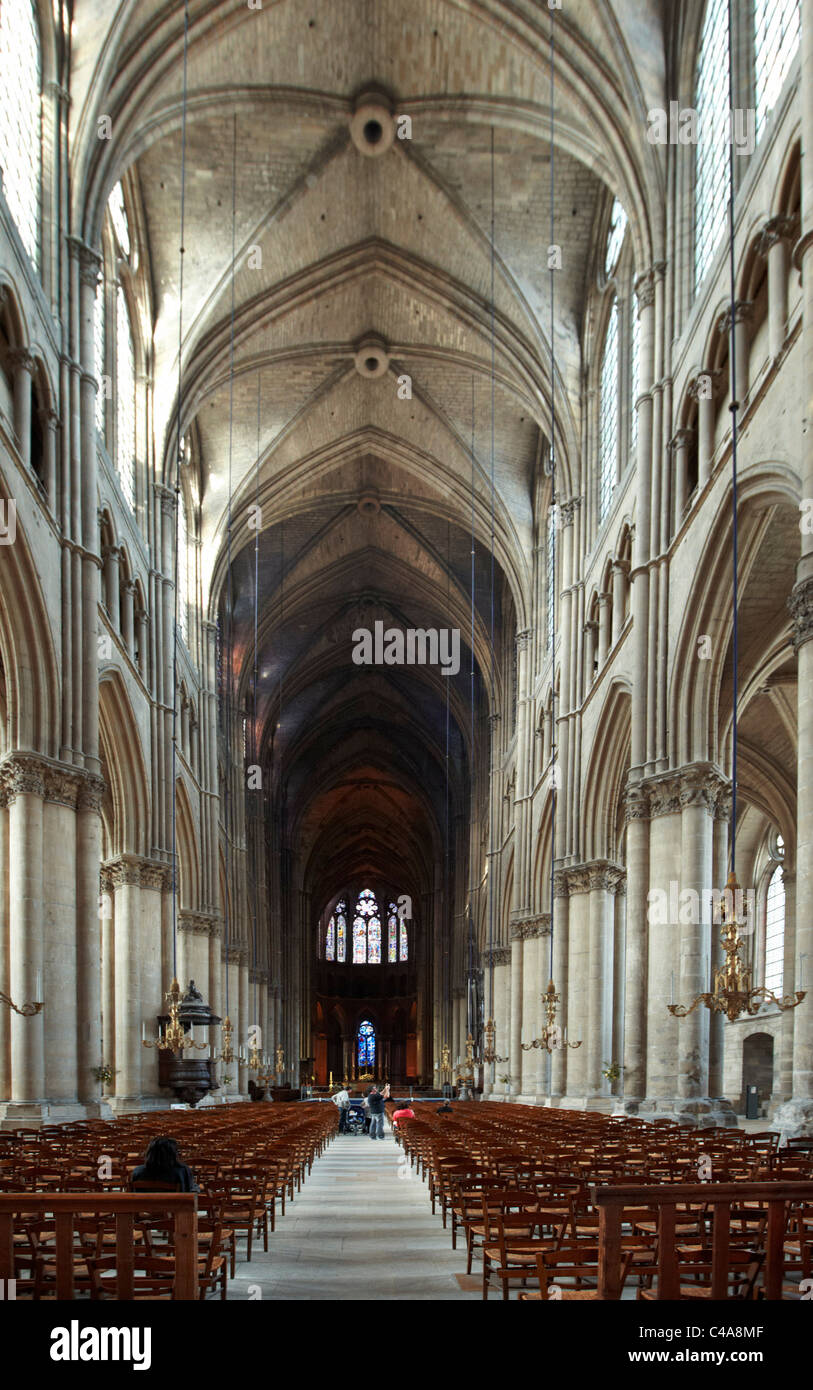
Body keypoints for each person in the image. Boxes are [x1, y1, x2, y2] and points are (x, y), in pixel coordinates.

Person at [131, 1136, 199, 1192]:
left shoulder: (137, 1172)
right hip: (174, 1207)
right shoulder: (182, 1171)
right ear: (173, 1154)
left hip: (145, 1207)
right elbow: (189, 1192)